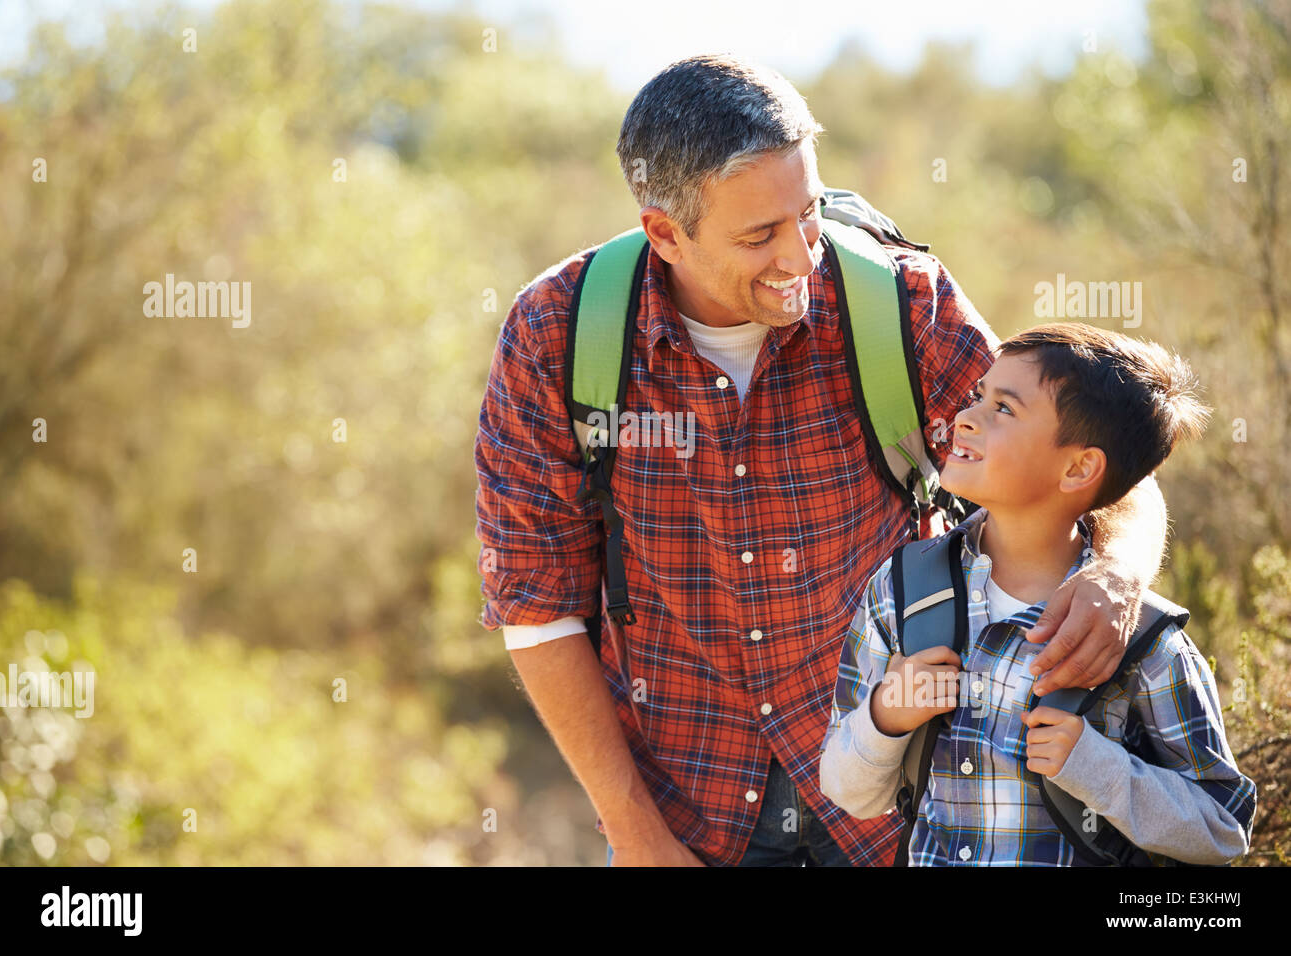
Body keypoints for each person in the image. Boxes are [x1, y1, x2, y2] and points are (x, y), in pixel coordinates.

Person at [474, 54, 1169, 867]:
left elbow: (1081, 459)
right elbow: (536, 604)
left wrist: (1118, 571)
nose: (801, 258)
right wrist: (634, 831)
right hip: (685, 813)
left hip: (904, 802)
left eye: (806, 213)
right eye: (759, 235)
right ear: (664, 232)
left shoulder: (899, 300)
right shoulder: (555, 334)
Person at [819, 323, 1256, 865]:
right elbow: (846, 789)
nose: (965, 417)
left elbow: (1222, 830)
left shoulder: (1141, 642)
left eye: (1004, 409)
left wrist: (1100, 769)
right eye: (979, 395)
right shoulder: (902, 590)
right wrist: (885, 715)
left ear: (1078, 468)